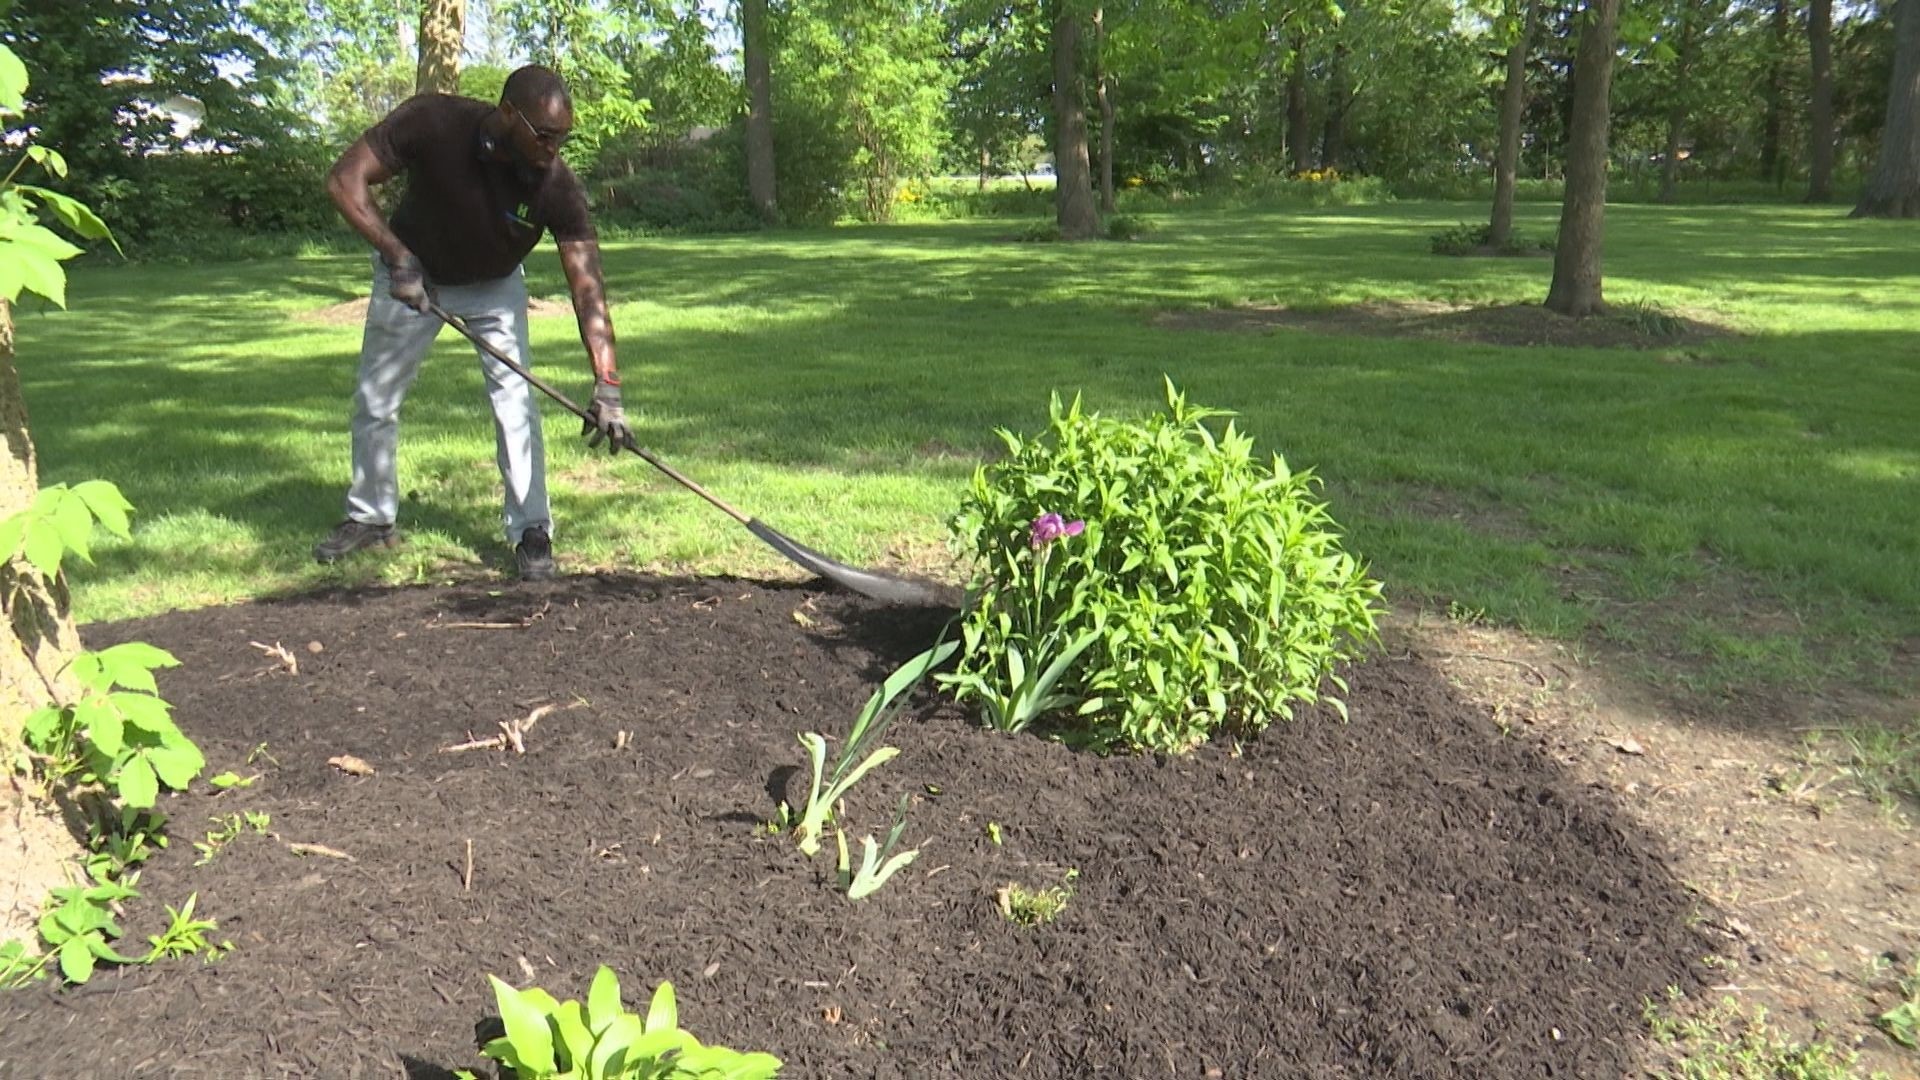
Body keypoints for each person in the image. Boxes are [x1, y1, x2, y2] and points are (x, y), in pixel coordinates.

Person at [312, 64, 635, 581]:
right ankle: (371, 518)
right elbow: (344, 178)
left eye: (562, 138)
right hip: (413, 274)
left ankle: (532, 529)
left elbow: (588, 289)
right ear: (509, 115)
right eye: (544, 136)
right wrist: (396, 255)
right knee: (376, 399)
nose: (554, 149)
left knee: (515, 405)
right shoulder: (433, 122)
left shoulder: (556, 185)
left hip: (495, 287)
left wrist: (608, 383)